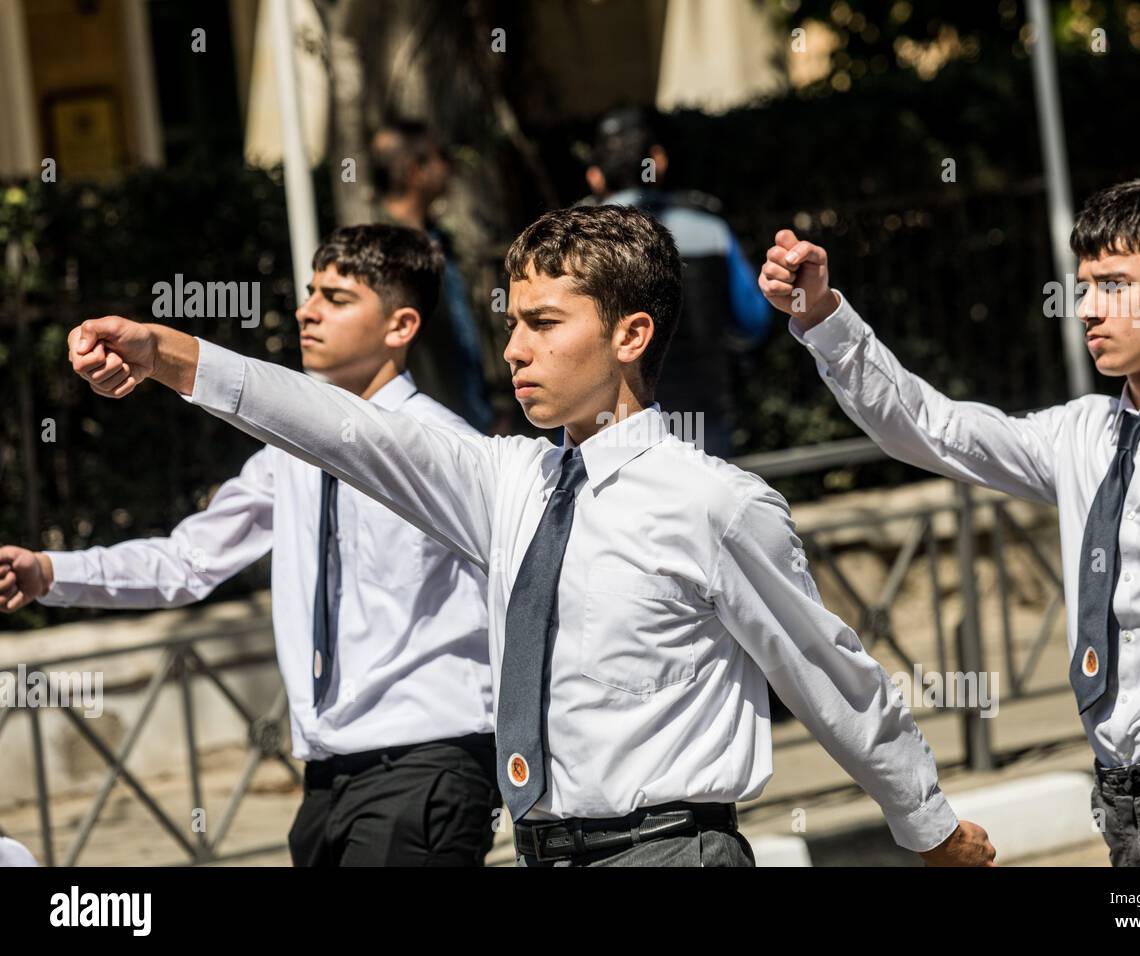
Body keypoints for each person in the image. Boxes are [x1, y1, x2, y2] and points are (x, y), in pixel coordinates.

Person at [61, 204, 994, 868]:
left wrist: (929, 825)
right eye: (513, 323)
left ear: (631, 335)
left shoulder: (717, 502)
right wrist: (171, 356)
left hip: (671, 852)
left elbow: (828, 674)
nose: (514, 350)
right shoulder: (506, 480)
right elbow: (340, 428)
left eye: (545, 324)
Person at [762, 178, 1140, 867]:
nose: (1086, 309)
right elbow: (931, 427)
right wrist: (823, 315)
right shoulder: (1082, 435)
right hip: (1124, 796)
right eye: (1083, 287)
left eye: (1113, 285)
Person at [1, 224, 500, 866]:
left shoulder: (446, 448)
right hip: (326, 778)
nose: (307, 310)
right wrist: (49, 571)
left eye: (337, 298)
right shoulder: (288, 457)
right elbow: (188, 560)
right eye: (310, 291)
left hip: (431, 765)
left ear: (400, 326)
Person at [585, 107, 771, 457]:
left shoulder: (577, 244)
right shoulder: (710, 228)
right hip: (704, 418)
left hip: (614, 427)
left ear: (595, 177)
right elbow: (752, 322)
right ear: (658, 161)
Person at [372, 118, 494, 433]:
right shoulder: (378, 250)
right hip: (425, 427)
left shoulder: (443, 238)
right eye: (442, 157)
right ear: (415, 171)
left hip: (475, 417)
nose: (449, 168)